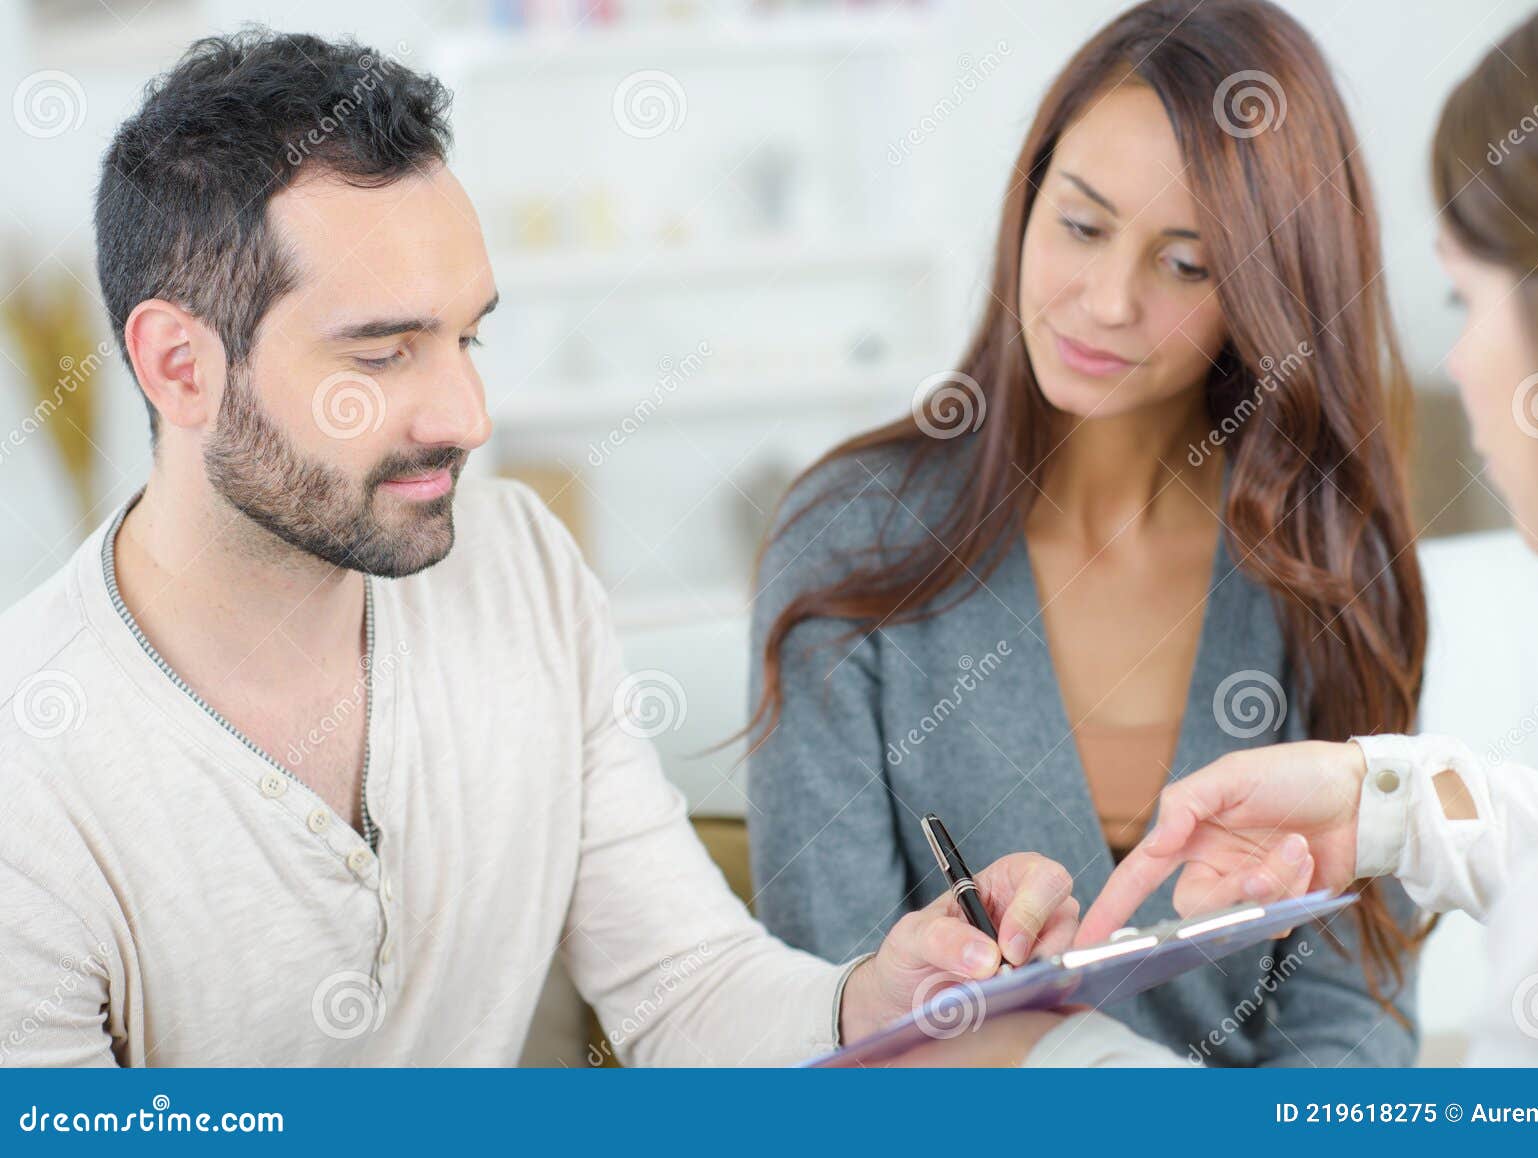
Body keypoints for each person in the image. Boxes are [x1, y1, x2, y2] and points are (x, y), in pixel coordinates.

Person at [0, 29, 1086, 1067]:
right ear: (180, 367)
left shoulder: (514, 563)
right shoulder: (31, 776)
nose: (467, 415)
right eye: (382, 354)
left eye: (467, 336)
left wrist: (869, 1005)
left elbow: (684, 987)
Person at [746, 0, 1426, 1067]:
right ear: (1026, 206)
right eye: (1080, 224)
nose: (1108, 301)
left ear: (1269, 292)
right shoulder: (846, 545)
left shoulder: (1328, 570)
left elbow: (1355, 1010)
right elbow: (826, 1008)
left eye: (1187, 264)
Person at [1048, 0, 1538, 1067]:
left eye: (1463, 295)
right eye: (1080, 224)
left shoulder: (1321, 555)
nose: (1455, 361)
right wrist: (1387, 809)